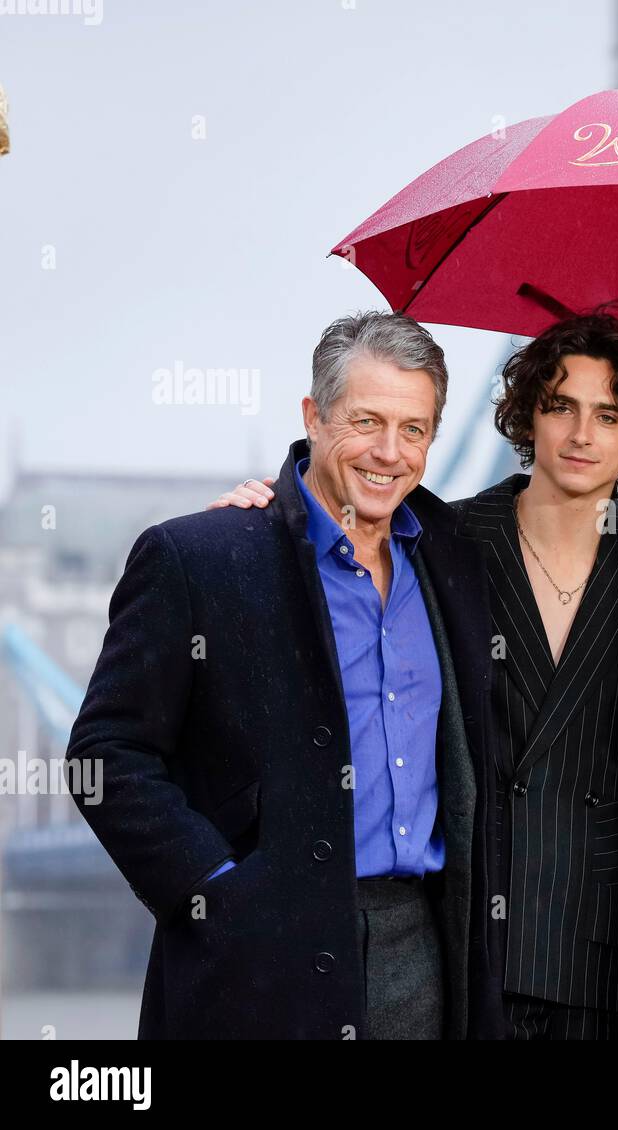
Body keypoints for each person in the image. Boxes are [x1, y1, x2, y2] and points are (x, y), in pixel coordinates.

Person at [212, 314, 618, 1039]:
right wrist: (265, 517)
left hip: (607, 931)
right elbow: (341, 524)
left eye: (609, 414)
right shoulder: (442, 538)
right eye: (561, 406)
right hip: (470, 926)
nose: (581, 435)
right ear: (528, 413)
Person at [67, 311, 491, 1039]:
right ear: (314, 417)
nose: (390, 453)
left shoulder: (456, 553)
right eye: (367, 420)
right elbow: (103, 754)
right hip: (257, 957)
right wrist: (215, 887)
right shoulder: (201, 557)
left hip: (421, 950)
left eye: (415, 429)